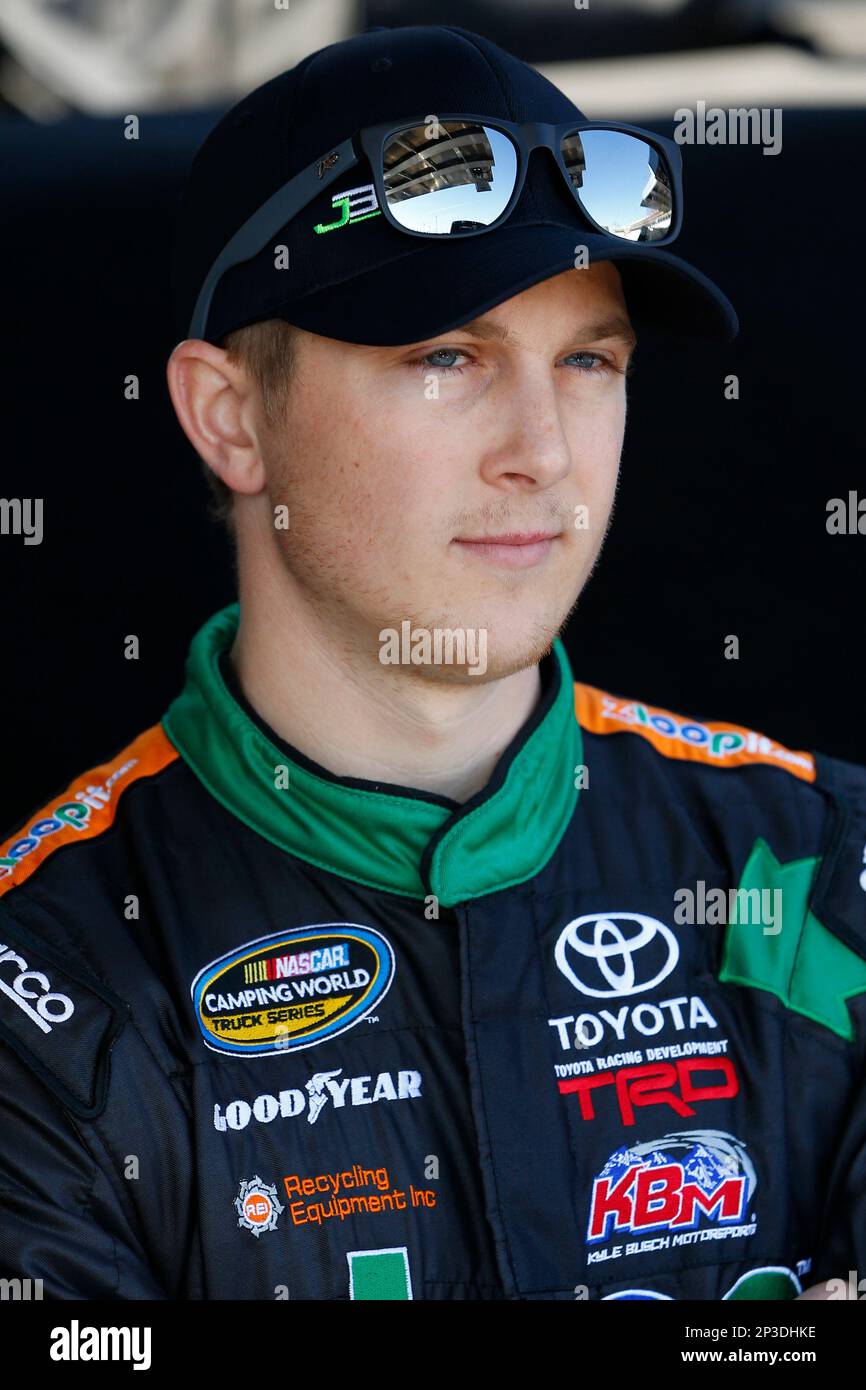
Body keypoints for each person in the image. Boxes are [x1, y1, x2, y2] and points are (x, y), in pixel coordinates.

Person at [0, 24, 863, 1303]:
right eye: (446, 359)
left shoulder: (820, 866)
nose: (543, 452)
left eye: (586, 360)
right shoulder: (43, 990)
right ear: (230, 417)